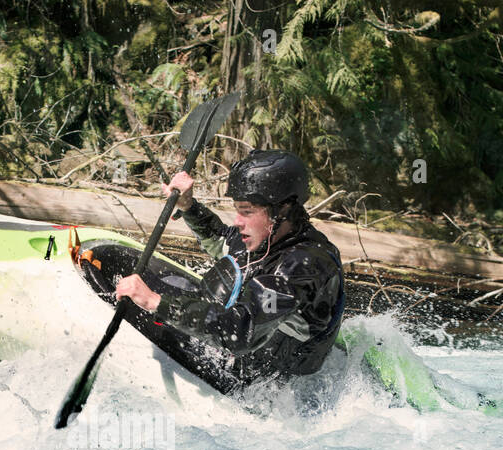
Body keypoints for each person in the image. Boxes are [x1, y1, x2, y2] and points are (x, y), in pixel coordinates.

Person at [114, 149, 345, 387]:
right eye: (237, 210)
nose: (237, 221)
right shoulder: (267, 237)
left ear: (281, 211)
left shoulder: (303, 266)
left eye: (247, 212)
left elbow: (241, 329)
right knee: (221, 279)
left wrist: (155, 302)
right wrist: (188, 206)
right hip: (249, 354)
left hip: (279, 390)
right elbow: (224, 240)